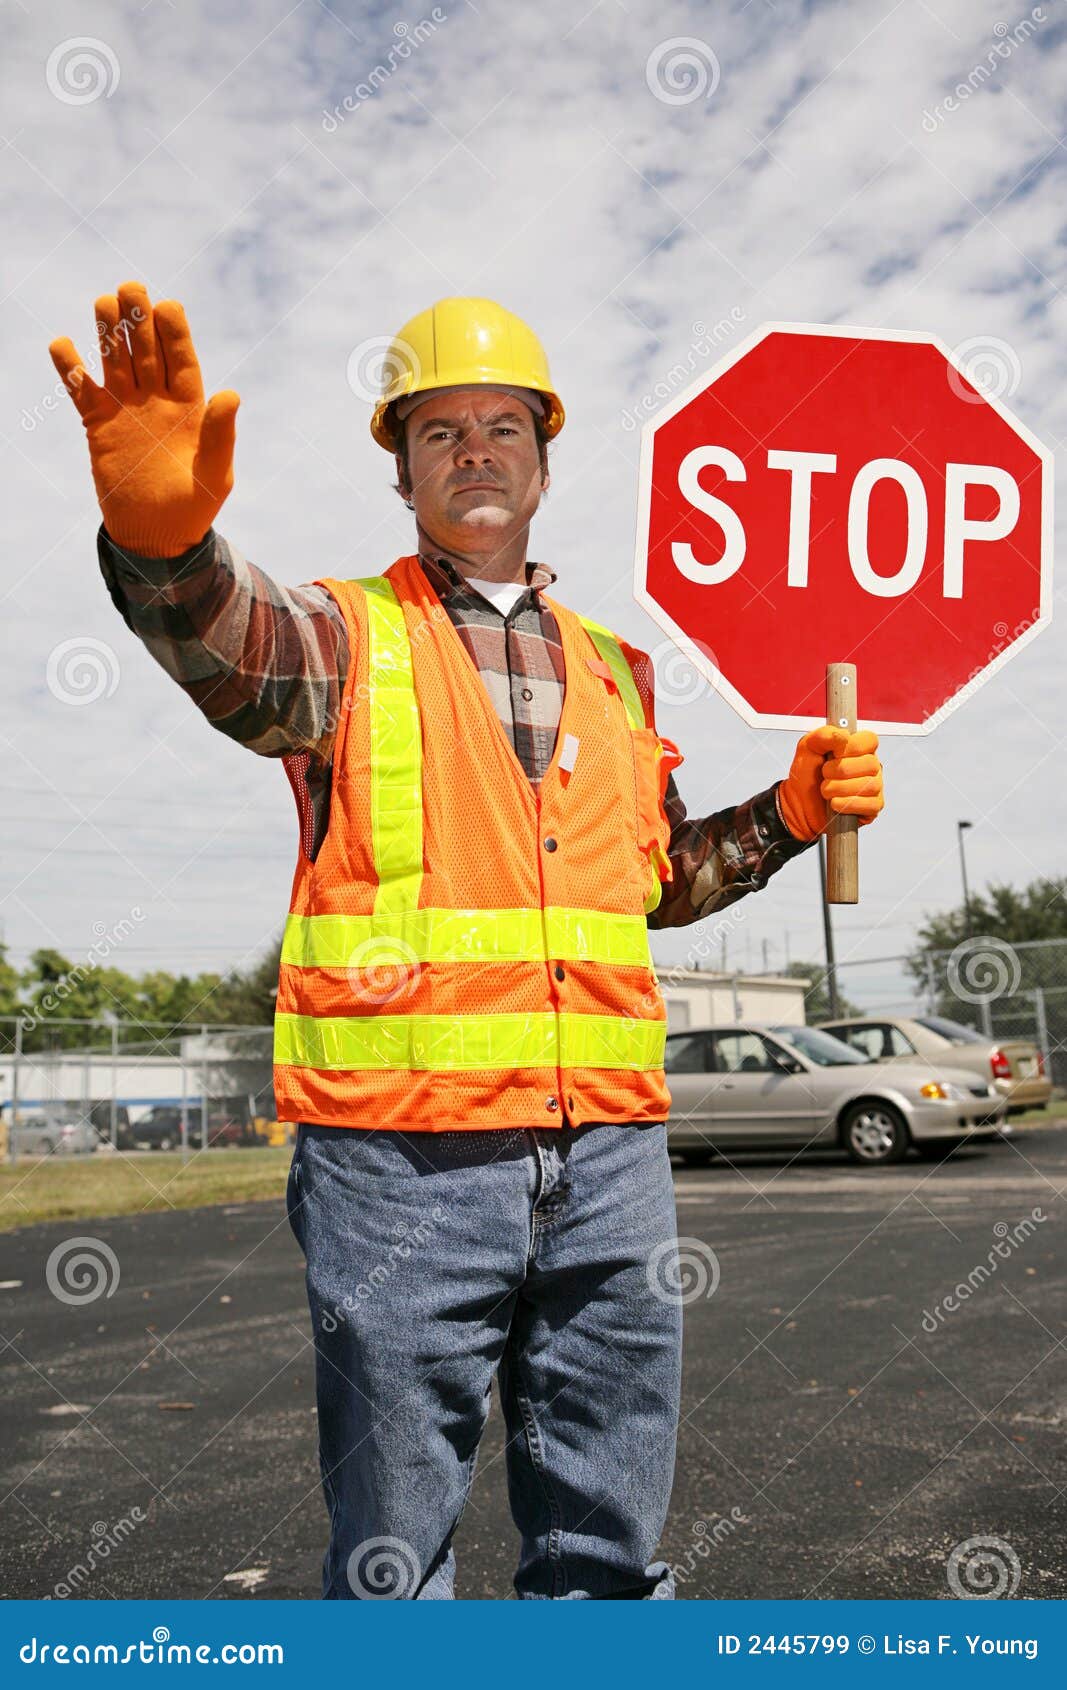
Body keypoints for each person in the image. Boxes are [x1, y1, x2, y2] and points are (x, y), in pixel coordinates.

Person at [48, 286, 885, 1600]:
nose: (477, 448)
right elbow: (230, 637)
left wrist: (788, 812)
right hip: (401, 1167)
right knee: (396, 1560)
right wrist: (164, 538)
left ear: (546, 458)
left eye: (505, 424)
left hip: (609, 1158)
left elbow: (657, 882)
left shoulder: (621, 670)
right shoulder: (344, 636)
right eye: (442, 430)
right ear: (403, 466)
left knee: (608, 1556)